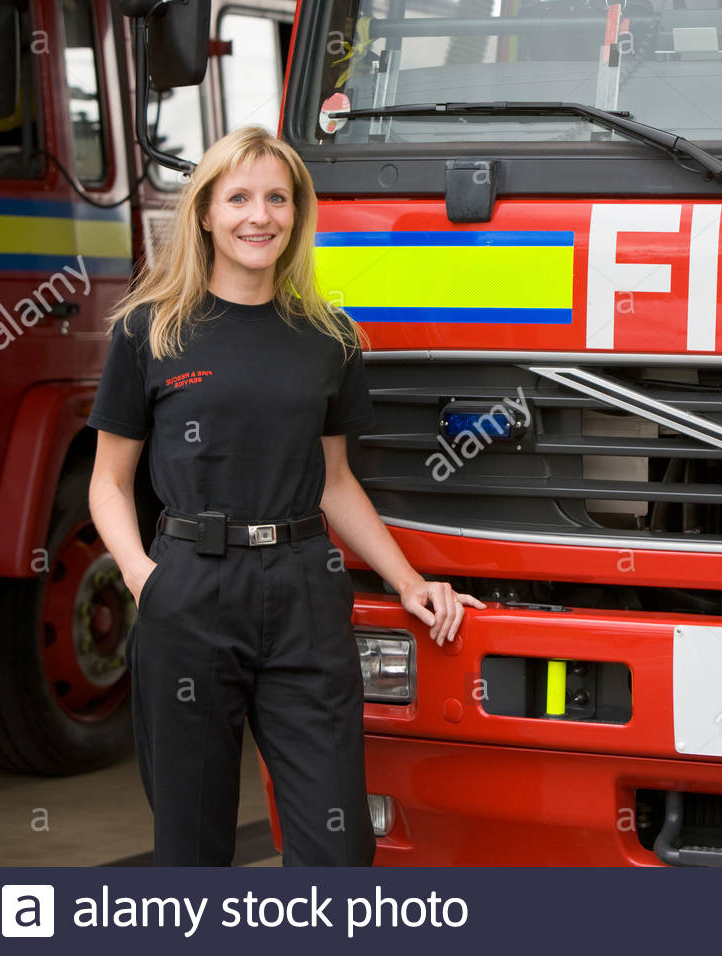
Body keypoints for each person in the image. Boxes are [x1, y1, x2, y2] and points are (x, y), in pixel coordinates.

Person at [86, 126, 483, 866]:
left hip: (304, 593)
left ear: (298, 213)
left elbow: (334, 483)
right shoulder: (151, 331)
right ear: (205, 212)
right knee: (192, 848)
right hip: (190, 590)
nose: (258, 216)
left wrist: (409, 581)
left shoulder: (328, 338)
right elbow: (108, 483)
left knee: (339, 848)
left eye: (277, 198)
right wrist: (147, 580)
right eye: (238, 197)